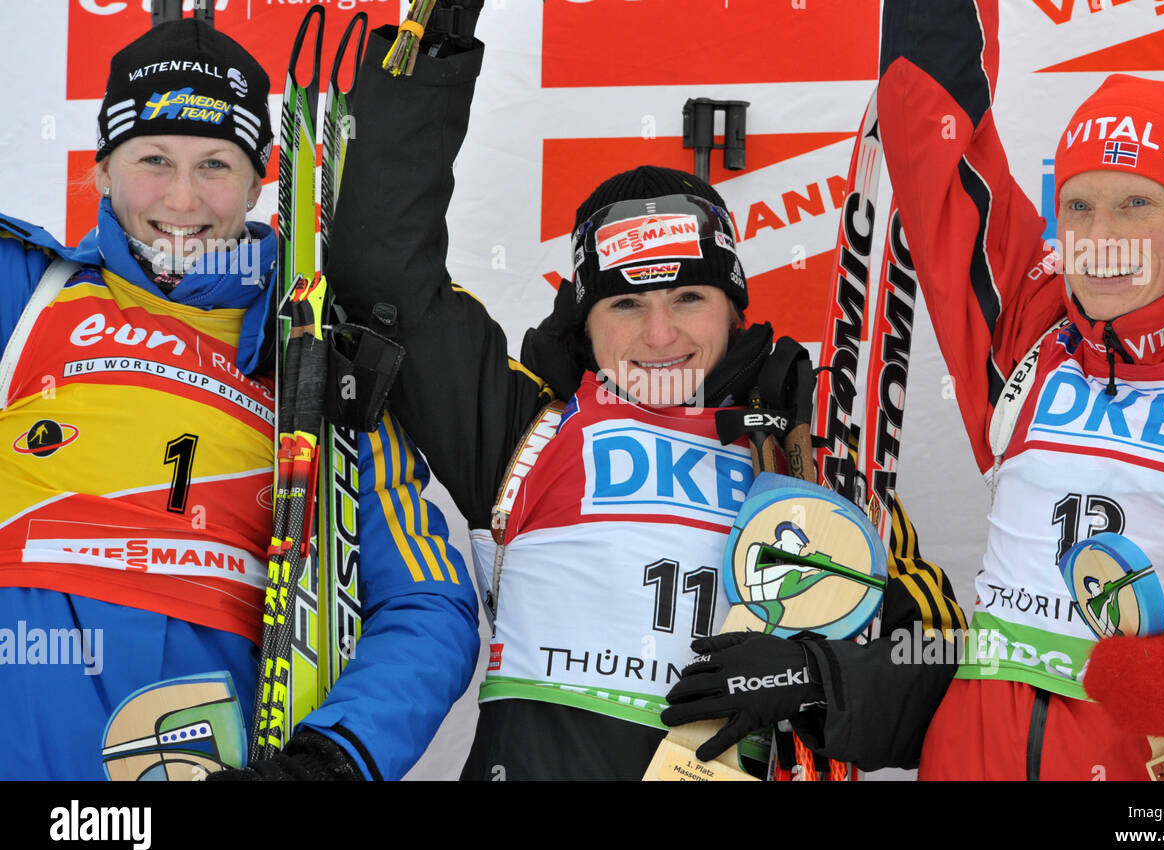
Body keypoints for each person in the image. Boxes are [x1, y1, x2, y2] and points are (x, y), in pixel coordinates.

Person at [326, 10, 965, 780]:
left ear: (734, 307)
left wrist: (811, 679)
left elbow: (945, 663)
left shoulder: (814, 459)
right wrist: (431, 52)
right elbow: (382, 277)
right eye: (626, 305)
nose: (660, 336)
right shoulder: (524, 428)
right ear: (584, 323)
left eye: (689, 298)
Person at [0, 16, 478, 781]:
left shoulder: (319, 361)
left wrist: (332, 760)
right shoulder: (26, 295)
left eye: (215, 164)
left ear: (260, 182)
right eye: (154, 159)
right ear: (103, 169)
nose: (183, 198)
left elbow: (427, 605)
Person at [877, 0, 1164, 779]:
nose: (1099, 239)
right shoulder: (1030, 328)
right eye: (1078, 206)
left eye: (1137, 204)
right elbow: (932, 141)